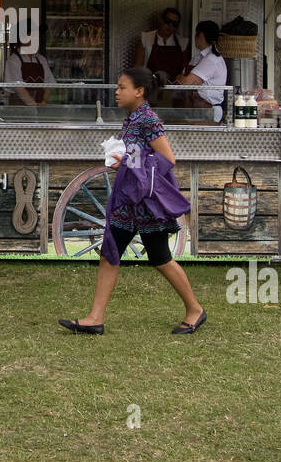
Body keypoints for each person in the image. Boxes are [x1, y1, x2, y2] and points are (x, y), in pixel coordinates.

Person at [59, 67, 206, 335]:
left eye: (122, 87)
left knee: (160, 257)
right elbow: (139, 156)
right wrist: (123, 161)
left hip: (147, 205)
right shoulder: (131, 119)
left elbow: (168, 160)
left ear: (139, 91)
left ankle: (195, 309)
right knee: (109, 254)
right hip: (128, 202)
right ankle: (95, 317)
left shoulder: (148, 120)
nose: (117, 91)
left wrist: (127, 162)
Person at [176, 20, 227, 122]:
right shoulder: (199, 57)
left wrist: (180, 77)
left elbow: (185, 83)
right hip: (197, 109)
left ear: (201, 35)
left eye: (196, 34)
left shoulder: (211, 59)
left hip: (208, 111)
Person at [131, 8, 189, 82]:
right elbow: (137, 67)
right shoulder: (146, 38)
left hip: (173, 88)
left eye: (174, 24)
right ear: (161, 20)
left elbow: (185, 69)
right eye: (168, 21)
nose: (170, 25)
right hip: (151, 86)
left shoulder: (183, 42)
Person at [3, 36, 56, 106]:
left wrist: (44, 100)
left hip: (40, 106)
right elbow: (17, 87)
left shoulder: (41, 59)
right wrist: (32, 104)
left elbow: (49, 82)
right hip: (19, 107)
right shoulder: (13, 60)